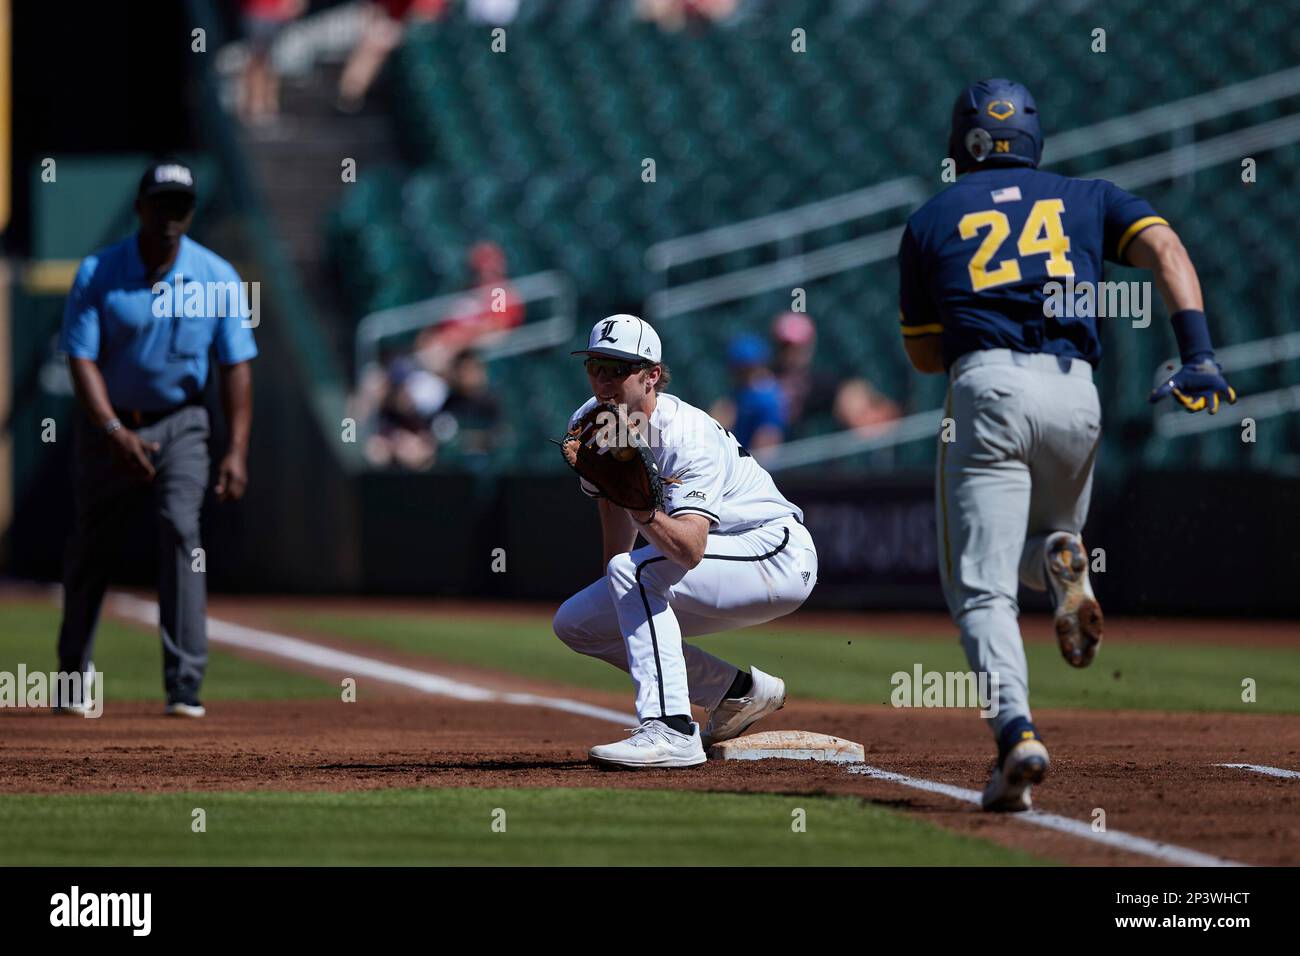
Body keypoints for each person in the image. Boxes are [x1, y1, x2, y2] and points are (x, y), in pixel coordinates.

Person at [898, 80, 1236, 810]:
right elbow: (1167, 247)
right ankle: (1062, 563)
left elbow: (925, 357)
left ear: (962, 143)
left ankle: (1016, 733)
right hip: (1076, 391)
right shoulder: (1090, 196)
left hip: (988, 387)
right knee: (1048, 538)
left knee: (979, 589)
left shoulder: (931, 218)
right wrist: (1198, 354)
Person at [552, 315, 819, 768]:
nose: (603, 380)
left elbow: (690, 548)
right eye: (595, 366)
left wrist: (637, 528)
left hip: (773, 552)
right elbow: (610, 506)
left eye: (618, 369)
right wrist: (622, 592)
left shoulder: (688, 435)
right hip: (714, 556)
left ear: (652, 375)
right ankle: (733, 692)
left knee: (632, 573)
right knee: (576, 623)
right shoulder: (592, 420)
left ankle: (672, 729)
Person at [56, 161, 259, 718]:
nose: (171, 217)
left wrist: (237, 448)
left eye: (182, 206)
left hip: (182, 422)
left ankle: (184, 684)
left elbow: (236, 364)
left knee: (180, 529)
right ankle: (73, 677)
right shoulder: (99, 271)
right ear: (140, 207)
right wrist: (114, 430)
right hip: (110, 423)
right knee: (92, 546)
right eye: (161, 204)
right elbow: (81, 357)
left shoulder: (216, 276)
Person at [710, 334, 786, 451]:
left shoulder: (767, 399)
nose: (741, 374)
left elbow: (766, 448)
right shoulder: (738, 394)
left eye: (746, 369)